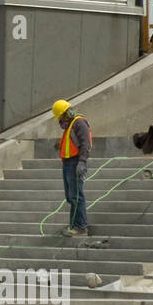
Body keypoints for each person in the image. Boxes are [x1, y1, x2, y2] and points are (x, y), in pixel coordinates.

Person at [52, 99, 92, 236]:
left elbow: (85, 143)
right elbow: (72, 143)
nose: (60, 122)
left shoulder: (79, 123)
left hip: (75, 163)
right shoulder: (70, 126)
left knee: (76, 196)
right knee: (71, 197)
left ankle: (81, 227)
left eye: (60, 118)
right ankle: (74, 225)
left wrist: (82, 162)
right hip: (68, 163)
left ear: (66, 114)